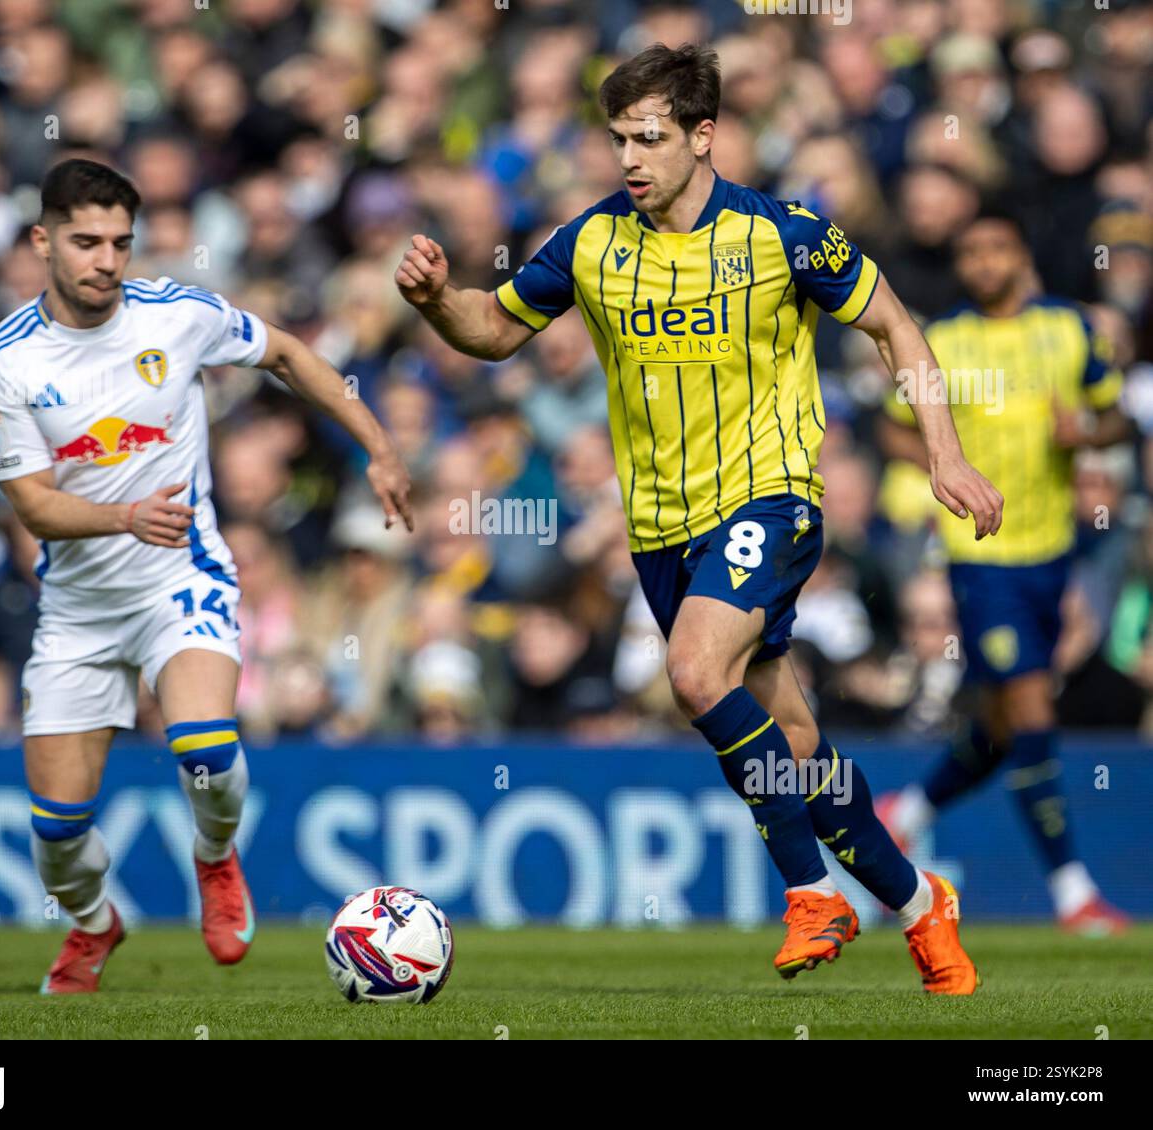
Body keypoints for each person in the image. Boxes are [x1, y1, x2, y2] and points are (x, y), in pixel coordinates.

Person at [396, 43, 1003, 994]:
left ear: (702, 135)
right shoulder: (591, 243)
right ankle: (923, 905)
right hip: (661, 530)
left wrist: (946, 452)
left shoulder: (784, 234)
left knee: (691, 671)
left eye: (649, 138)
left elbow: (895, 325)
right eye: (617, 140)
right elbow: (492, 330)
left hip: (771, 497)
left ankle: (812, 892)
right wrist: (437, 302)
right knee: (793, 747)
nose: (629, 159)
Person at [0, 159, 412, 993]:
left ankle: (215, 859)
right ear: (42, 242)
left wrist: (379, 446)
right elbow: (32, 505)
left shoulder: (177, 315)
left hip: (181, 576)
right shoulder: (6, 361)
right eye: (86, 241)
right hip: (78, 609)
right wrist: (122, 517)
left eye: (120, 243)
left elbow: (286, 353)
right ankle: (95, 923)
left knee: (206, 748)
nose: (106, 260)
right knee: (58, 834)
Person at [877, 205, 1131, 936]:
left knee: (1001, 724)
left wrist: (1083, 431)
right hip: (981, 557)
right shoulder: (943, 342)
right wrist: (941, 469)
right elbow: (894, 432)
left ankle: (906, 813)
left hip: (1052, 555)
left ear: (1021, 254)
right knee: (1030, 711)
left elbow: (1118, 419)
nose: (984, 261)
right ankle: (1072, 892)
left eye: (997, 248)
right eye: (972, 251)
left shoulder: (1068, 330)